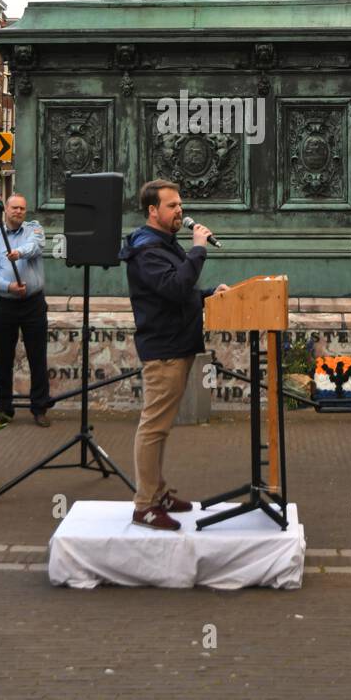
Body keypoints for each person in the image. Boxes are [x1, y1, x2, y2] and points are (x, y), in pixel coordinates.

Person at [120, 178, 229, 531]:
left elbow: (182, 292)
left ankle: (158, 493)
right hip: (163, 349)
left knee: (161, 429)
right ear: (153, 211)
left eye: (180, 204)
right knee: (153, 428)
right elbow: (174, 286)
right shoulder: (148, 249)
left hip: (177, 343)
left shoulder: (163, 245)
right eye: (172, 206)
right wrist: (198, 249)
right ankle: (144, 506)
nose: (179, 211)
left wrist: (211, 294)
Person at [0, 194, 51, 427]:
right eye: (15, 208)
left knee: (37, 357)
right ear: (6, 210)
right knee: (3, 358)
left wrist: (19, 252)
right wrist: (7, 285)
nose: (19, 211)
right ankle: (4, 408)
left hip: (33, 304)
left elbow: (37, 246)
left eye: (22, 208)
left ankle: (40, 408)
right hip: (5, 305)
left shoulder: (33, 229)